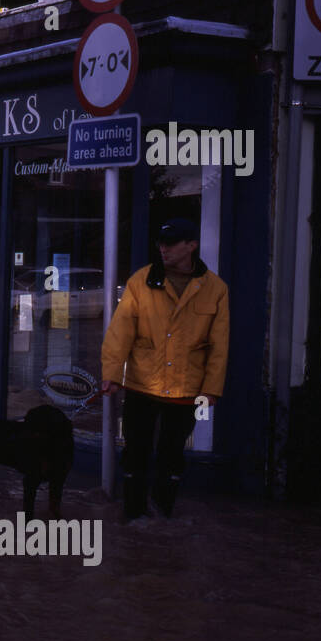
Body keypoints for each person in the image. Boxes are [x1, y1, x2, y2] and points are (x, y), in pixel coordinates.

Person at [100, 218, 230, 521]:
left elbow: (219, 344)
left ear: (191, 246)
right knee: (136, 450)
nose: (164, 249)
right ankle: (133, 514)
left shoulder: (215, 289)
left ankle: (162, 511)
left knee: (172, 454)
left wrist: (211, 389)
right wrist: (111, 374)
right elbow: (120, 333)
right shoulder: (140, 282)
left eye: (172, 244)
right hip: (142, 383)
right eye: (161, 243)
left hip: (186, 388)